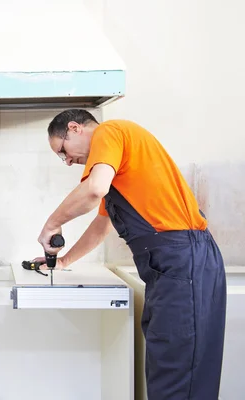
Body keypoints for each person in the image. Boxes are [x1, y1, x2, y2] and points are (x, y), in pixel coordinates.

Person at [35, 109, 226, 400]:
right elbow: (101, 227)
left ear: (74, 128)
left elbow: (93, 189)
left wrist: (53, 222)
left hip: (182, 260)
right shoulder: (117, 170)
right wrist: (63, 261)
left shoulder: (109, 132)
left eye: (63, 151)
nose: (68, 161)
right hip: (169, 265)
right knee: (168, 366)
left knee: (179, 377)